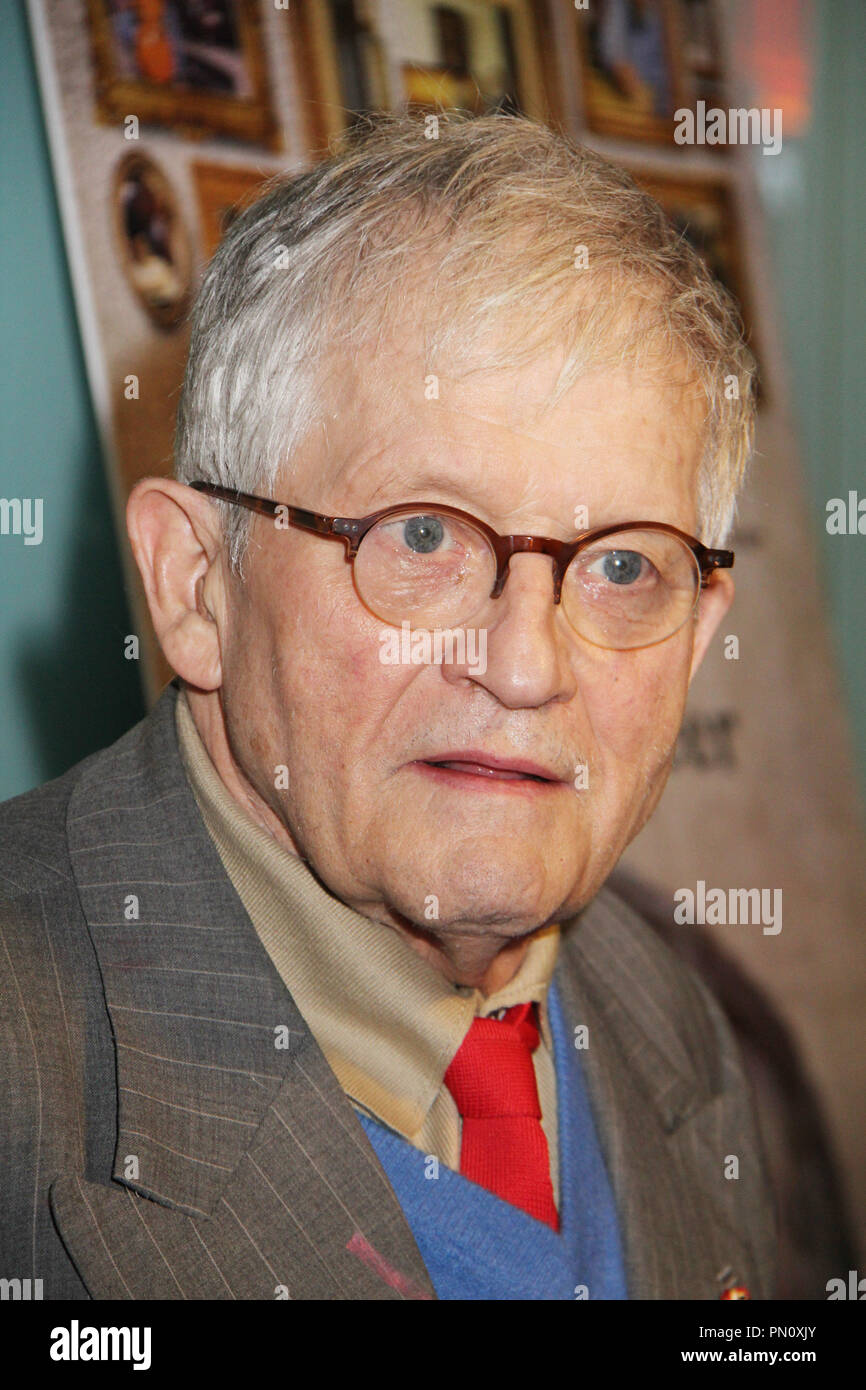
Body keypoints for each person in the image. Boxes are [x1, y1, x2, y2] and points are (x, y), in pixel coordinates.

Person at [0, 112, 775, 1300]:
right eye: (421, 536)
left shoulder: (671, 1018)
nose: (523, 665)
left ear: (696, 636)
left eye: (621, 566)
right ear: (197, 583)